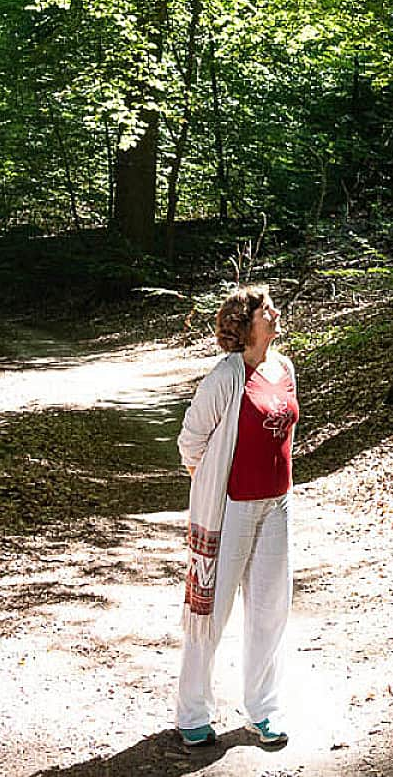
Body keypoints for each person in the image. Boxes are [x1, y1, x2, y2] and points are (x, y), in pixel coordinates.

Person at [174, 285, 299, 747]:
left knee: (270, 611)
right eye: (268, 309)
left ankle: (264, 710)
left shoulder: (284, 368)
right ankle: (192, 713)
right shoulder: (226, 376)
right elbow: (191, 441)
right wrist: (211, 488)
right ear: (247, 324)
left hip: (277, 506)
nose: (276, 312)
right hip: (231, 509)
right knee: (212, 612)